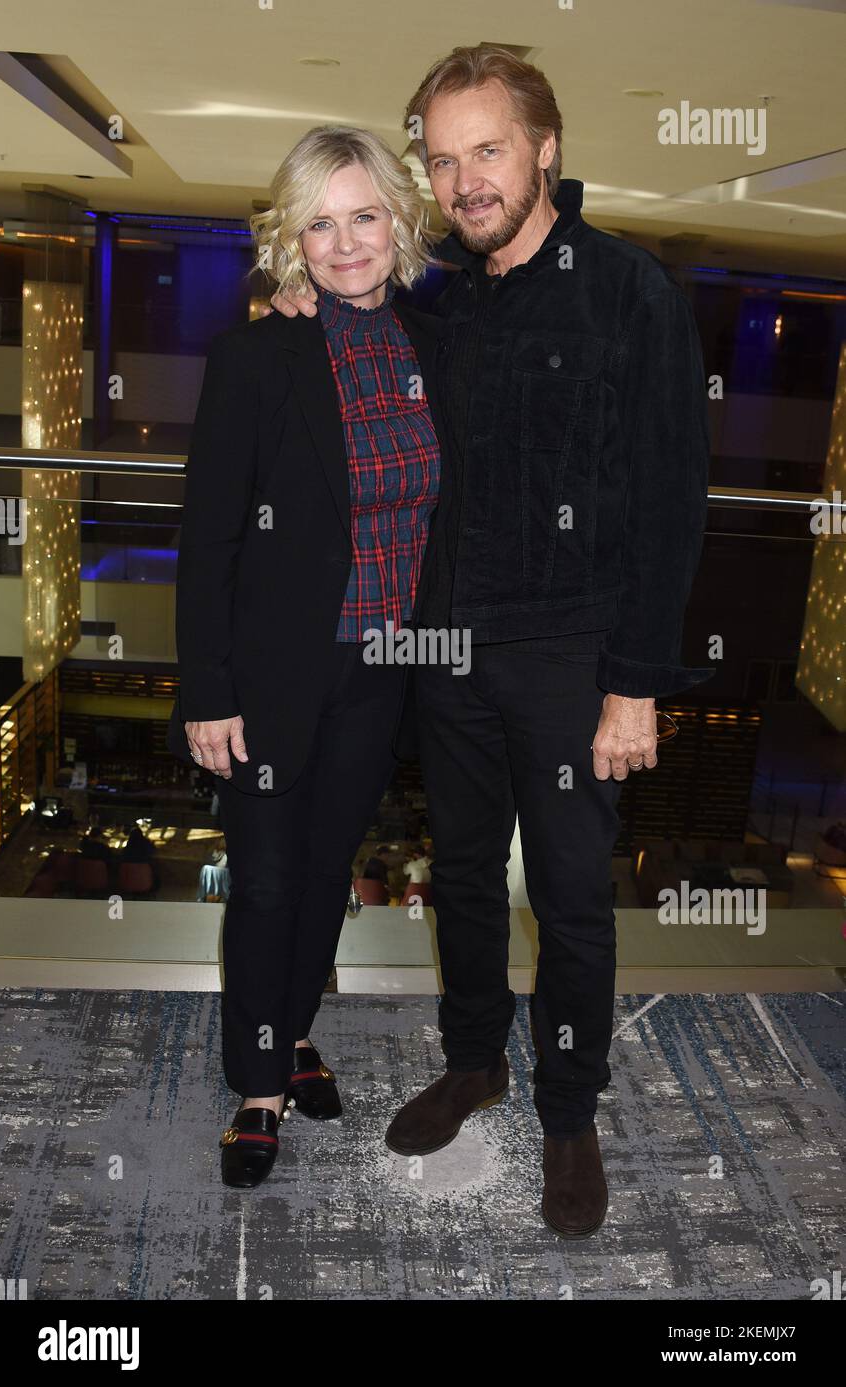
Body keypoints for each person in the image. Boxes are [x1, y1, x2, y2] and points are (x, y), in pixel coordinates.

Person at [269, 46, 715, 1237]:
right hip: (446, 652)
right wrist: (297, 304)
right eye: (445, 155)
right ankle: (478, 1062)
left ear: (546, 149)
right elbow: (343, 353)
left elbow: (671, 507)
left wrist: (636, 689)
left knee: (569, 897)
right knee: (460, 877)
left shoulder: (632, 293)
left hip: (575, 659)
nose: (466, 180)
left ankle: (568, 1110)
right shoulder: (434, 301)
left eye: (490, 150)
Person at [165, 125, 449, 1189]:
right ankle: (257, 1083)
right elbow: (209, 536)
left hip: (383, 669)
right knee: (271, 877)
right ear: (290, 239)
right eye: (318, 223)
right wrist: (208, 687)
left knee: (331, 872)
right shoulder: (258, 355)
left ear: (400, 221)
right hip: (275, 673)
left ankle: (290, 1029)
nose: (344, 244)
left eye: (365, 215)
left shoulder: (440, 347)